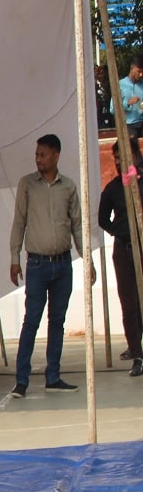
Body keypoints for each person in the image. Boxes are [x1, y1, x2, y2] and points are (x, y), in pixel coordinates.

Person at [8, 133, 93, 398]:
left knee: (57, 321)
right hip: (36, 264)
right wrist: (14, 259)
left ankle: (53, 376)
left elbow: (78, 225)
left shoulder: (68, 187)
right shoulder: (27, 185)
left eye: (43, 154)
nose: (38, 159)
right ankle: (21, 380)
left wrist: (87, 259)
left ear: (56, 155)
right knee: (31, 320)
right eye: (37, 154)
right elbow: (19, 222)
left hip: (63, 264)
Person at [98, 139, 143, 377]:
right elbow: (102, 218)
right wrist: (118, 230)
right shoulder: (114, 188)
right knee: (129, 303)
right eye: (115, 158)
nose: (117, 162)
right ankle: (137, 354)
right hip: (123, 249)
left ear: (135, 155)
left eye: (122, 156)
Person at [113, 55, 143, 138]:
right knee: (132, 141)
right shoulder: (120, 85)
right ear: (132, 68)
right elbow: (112, 109)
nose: (141, 75)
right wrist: (127, 103)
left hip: (141, 121)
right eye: (139, 71)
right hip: (128, 124)